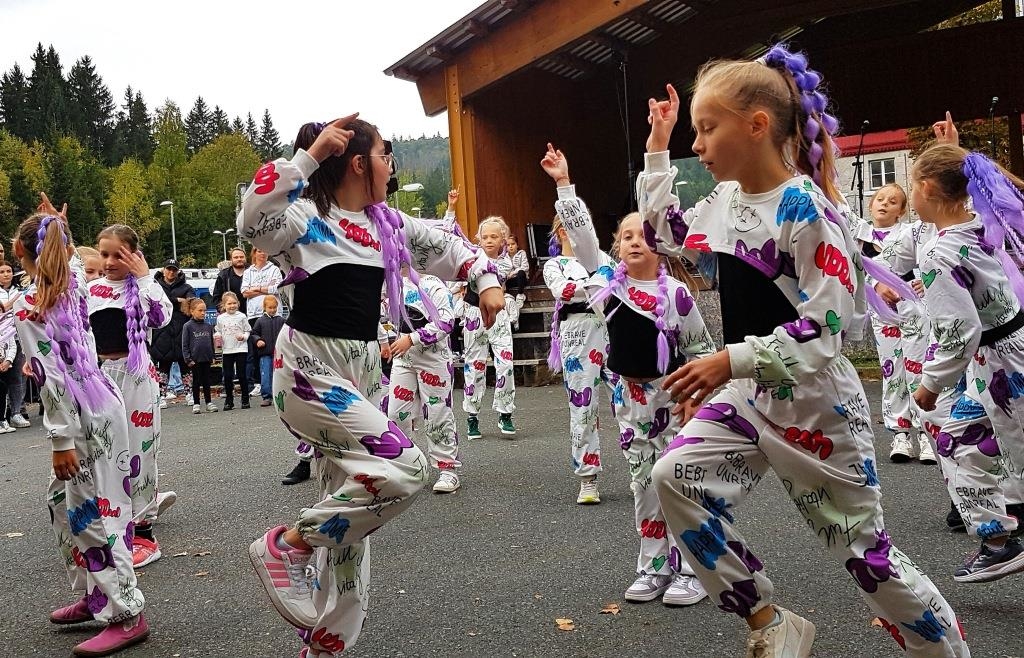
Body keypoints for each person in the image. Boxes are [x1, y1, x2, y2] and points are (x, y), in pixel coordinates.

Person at [640, 45, 969, 656]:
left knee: (865, 557)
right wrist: (658, 146)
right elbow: (666, 233)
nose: (700, 146)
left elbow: (827, 329)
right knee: (674, 477)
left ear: (757, 125)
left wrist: (728, 360)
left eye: (707, 129)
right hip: (750, 395)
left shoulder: (804, 207)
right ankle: (769, 620)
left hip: (819, 408)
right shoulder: (727, 203)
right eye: (695, 133)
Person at [239, 114, 502, 657]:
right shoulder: (308, 218)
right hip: (309, 370)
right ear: (360, 163)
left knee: (353, 526)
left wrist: (488, 282)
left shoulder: (389, 225)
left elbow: (457, 250)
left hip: (360, 372)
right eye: (386, 155)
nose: (391, 167)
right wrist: (310, 156)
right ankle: (285, 545)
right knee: (407, 468)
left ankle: (327, 646)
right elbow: (252, 219)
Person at [542, 145, 712, 606]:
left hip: (674, 401)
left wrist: (697, 395)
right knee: (643, 483)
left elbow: (700, 350)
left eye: (643, 234)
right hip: (630, 401)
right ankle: (653, 565)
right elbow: (582, 238)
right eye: (625, 236)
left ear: (659, 243)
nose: (634, 241)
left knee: (680, 482)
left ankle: (693, 570)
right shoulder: (607, 289)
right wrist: (564, 184)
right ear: (616, 246)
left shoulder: (676, 296)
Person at [11, 196, 149, 655]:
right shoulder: (70, 282)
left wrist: (60, 439)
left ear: (19, 252)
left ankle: (127, 611)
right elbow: (68, 257)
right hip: (99, 404)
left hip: (81, 415)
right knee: (61, 502)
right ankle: (95, 596)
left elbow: (50, 381)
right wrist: (61, 230)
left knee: (96, 514)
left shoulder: (33, 303)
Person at [908, 142, 1024, 584]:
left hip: (1003, 367)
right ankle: (997, 540)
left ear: (927, 187)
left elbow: (960, 330)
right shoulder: (979, 226)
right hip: (1001, 359)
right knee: (956, 437)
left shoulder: (939, 253)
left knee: (983, 443)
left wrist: (930, 385)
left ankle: (999, 539)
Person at [90, 224, 177, 567]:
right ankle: (116, 516)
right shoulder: (92, 289)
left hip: (137, 375)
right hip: (100, 376)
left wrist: (144, 279)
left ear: (134, 255)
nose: (110, 261)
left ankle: (143, 531)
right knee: (105, 450)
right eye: (105, 254)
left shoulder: (144, 288)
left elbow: (161, 316)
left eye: (118, 254)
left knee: (141, 452)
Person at [852, 184, 936, 463]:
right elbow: (855, 272)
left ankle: (926, 434)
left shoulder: (910, 232)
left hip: (913, 309)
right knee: (892, 371)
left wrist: (925, 282)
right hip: (882, 312)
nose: (884, 204)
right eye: (879, 199)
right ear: (870, 204)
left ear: (902, 210)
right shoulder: (859, 236)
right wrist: (875, 285)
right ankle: (900, 434)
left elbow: (932, 256)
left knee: (918, 369)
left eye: (893, 201)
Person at [542, 215, 609, 504]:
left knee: (630, 399)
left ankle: (640, 470)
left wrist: (600, 283)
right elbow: (564, 292)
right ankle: (587, 477)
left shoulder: (603, 257)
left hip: (611, 327)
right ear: (558, 234)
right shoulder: (554, 265)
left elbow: (616, 282)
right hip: (577, 332)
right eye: (567, 227)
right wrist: (599, 284)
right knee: (582, 405)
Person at [386, 270, 461, 493]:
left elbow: (447, 322)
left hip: (434, 358)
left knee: (437, 412)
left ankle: (448, 469)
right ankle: (408, 465)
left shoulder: (432, 284)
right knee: (395, 413)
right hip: (403, 358)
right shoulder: (391, 284)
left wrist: (413, 338)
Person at [462, 216, 517, 438]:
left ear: (503, 239)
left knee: (506, 363)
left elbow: (490, 275)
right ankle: (472, 416)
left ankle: (505, 413)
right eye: (484, 237)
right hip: (474, 314)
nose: (489, 240)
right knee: (474, 365)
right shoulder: (471, 257)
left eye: (494, 236)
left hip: (498, 314)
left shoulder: (505, 263)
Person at [149, 259, 195, 407]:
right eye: (169, 269)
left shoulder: (187, 286)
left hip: (182, 329)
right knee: (163, 364)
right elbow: (153, 301)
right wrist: (176, 300)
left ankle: (189, 394)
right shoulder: (154, 285)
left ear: (178, 271)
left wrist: (172, 302)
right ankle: (161, 395)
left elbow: (191, 303)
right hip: (161, 330)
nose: (171, 272)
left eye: (174, 269)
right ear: (164, 270)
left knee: (185, 364)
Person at [241, 246, 282, 397]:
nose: (262, 253)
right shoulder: (248, 272)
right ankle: (258, 383)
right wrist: (265, 288)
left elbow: (277, 288)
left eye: (265, 250)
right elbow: (245, 292)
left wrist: (256, 289)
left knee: (274, 349)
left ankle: (276, 382)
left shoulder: (274, 269)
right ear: (254, 253)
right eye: (259, 250)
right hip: (254, 314)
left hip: (274, 314)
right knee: (256, 351)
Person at [0, 259, 29, 430]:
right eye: (2, 272)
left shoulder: (20, 290)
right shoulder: (16, 294)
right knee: (2, 379)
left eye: (9, 271)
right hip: (2, 338)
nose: (6, 274)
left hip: (19, 337)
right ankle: (2, 415)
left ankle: (16, 412)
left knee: (19, 376)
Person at [215, 291, 250, 411]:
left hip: (241, 348)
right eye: (229, 303)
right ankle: (229, 400)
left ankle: (245, 398)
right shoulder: (220, 318)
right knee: (228, 375)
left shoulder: (242, 316)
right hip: (227, 349)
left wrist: (244, 337)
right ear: (224, 305)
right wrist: (218, 336)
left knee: (241, 374)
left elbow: (248, 330)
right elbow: (218, 330)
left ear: (238, 303)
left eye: (234, 303)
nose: (232, 306)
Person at [182, 298, 218, 414]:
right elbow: (185, 343)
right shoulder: (188, 326)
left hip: (206, 358)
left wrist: (213, 355)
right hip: (195, 359)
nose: (203, 313)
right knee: (196, 381)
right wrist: (188, 358)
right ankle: (196, 403)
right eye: (200, 310)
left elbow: (211, 342)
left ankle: (208, 402)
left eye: (204, 311)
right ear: (192, 311)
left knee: (207, 381)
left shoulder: (208, 326)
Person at [251, 295, 285, 407]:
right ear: (264, 307)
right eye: (270, 307)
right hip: (265, 354)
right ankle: (266, 396)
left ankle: (280, 395)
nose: (273, 310)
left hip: (279, 354)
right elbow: (254, 333)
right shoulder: (260, 321)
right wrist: (258, 340)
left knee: (280, 375)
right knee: (266, 375)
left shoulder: (281, 320)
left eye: (274, 307)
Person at [505, 234, 529, 329]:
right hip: (510, 280)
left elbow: (525, 267)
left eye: (513, 244)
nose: (510, 246)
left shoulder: (521, 253)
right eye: (508, 245)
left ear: (517, 245)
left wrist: (513, 272)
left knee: (521, 273)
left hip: (521, 279)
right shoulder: (504, 257)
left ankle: (520, 294)